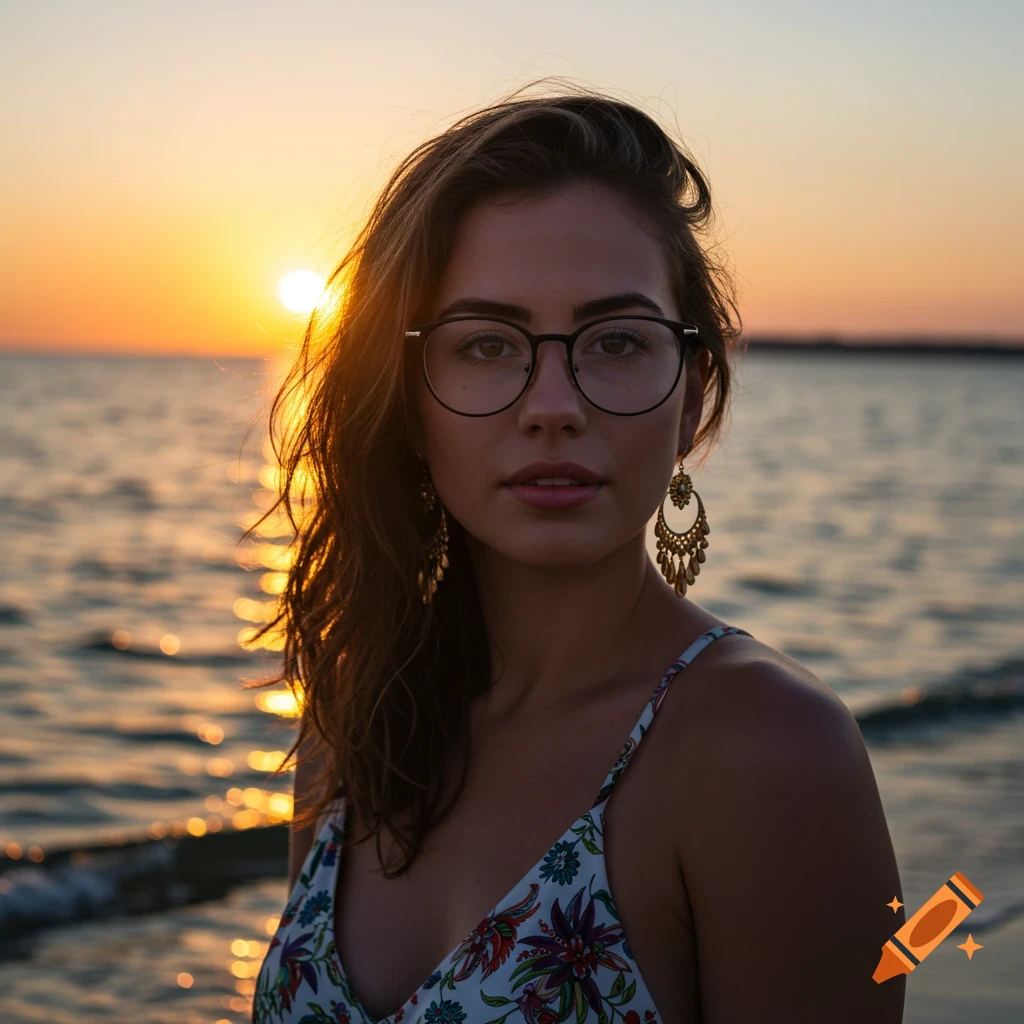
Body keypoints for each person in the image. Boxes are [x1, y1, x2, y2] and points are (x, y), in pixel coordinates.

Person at [249, 79, 905, 1024]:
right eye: (485, 345)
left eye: (616, 342)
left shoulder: (768, 753)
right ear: (405, 395)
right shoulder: (355, 726)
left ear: (693, 397)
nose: (551, 403)